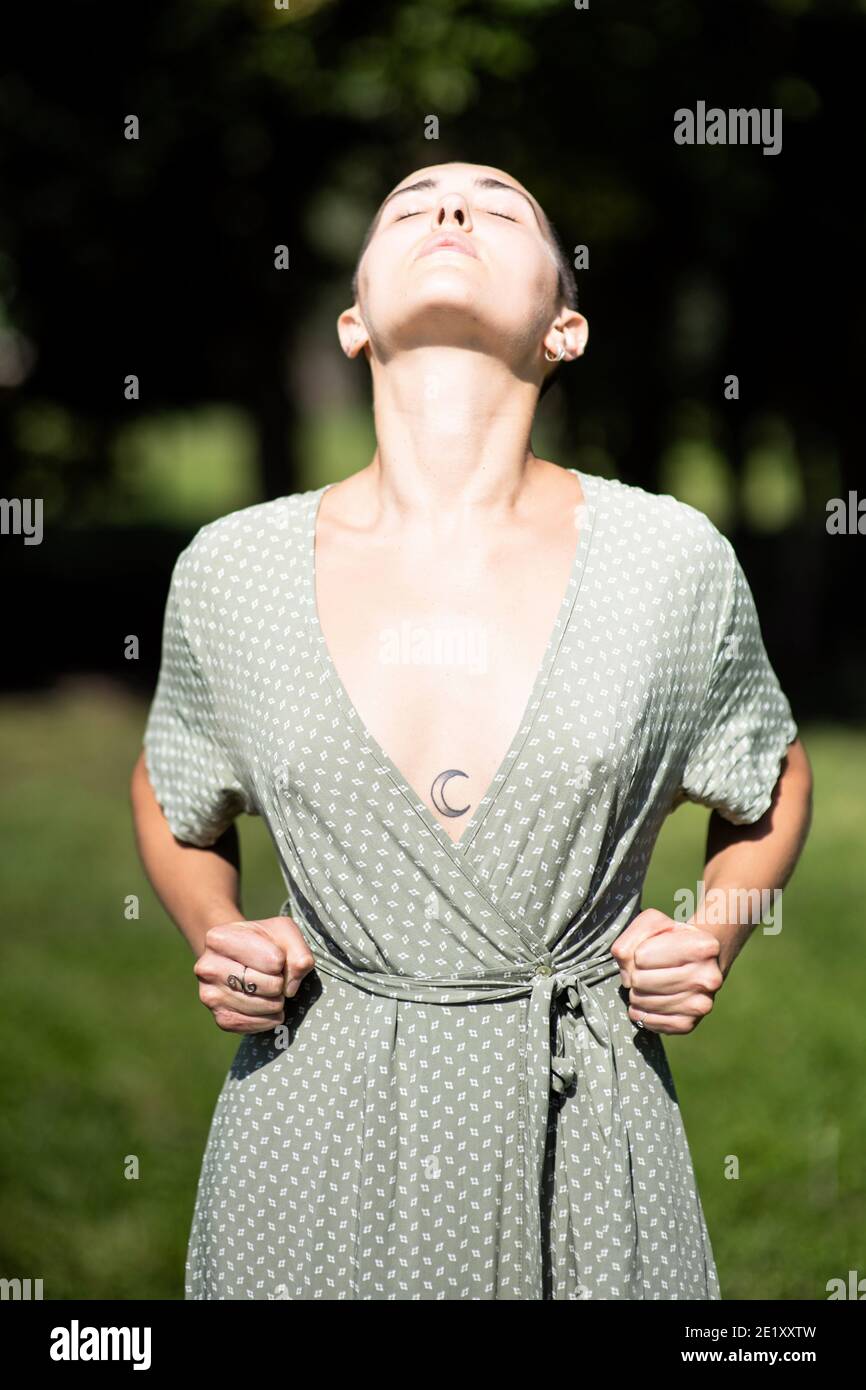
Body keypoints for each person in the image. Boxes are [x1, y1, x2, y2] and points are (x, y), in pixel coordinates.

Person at [130, 161, 813, 1301]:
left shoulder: (669, 562)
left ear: (565, 327)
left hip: (584, 1132)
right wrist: (219, 926)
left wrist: (717, 932)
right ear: (352, 323)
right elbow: (170, 781)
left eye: (500, 208)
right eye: (410, 205)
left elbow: (770, 775)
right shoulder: (228, 571)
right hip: (310, 1130)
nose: (450, 210)